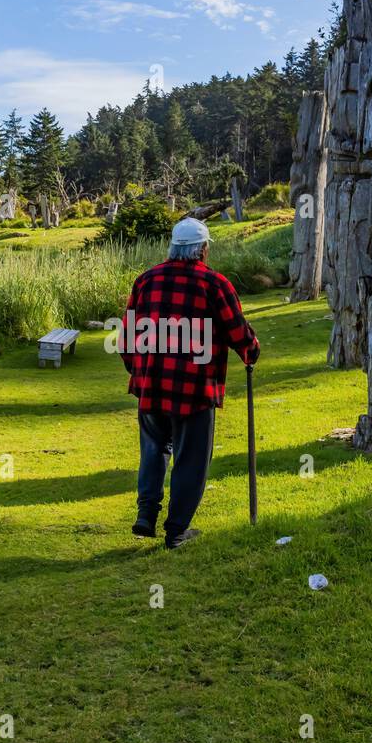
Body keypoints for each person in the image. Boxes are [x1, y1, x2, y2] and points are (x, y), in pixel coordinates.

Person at [118, 218, 260, 549]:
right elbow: (238, 332)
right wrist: (251, 352)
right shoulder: (215, 284)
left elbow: (127, 337)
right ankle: (177, 530)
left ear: (173, 247)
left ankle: (146, 515)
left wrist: (138, 371)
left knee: (154, 450)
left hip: (152, 387)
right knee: (191, 459)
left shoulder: (146, 281)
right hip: (194, 391)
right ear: (203, 249)